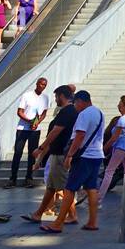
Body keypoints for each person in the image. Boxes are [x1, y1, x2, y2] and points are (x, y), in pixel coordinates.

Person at [42, 90, 105, 232]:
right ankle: (92, 222)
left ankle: (58, 223)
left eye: (75, 104)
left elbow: (80, 135)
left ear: (80, 101)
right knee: (91, 188)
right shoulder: (99, 113)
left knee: (70, 188)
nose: (75, 107)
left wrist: (70, 155)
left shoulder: (84, 114)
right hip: (96, 155)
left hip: (83, 156)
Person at [26, 85, 78, 224]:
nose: (55, 100)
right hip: (59, 153)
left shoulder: (67, 111)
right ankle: (39, 213)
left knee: (62, 187)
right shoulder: (71, 111)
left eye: (56, 97)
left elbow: (55, 132)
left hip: (60, 154)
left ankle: (71, 215)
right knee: (53, 187)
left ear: (62, 96)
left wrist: (41, 148)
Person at [97, 96, 125, 200]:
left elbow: (114, 138)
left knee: (109, 171)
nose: (118, 106)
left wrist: (104, 148)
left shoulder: (123, 119)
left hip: (121, 148)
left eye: (120, 104)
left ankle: (99, 199)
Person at [8, 76, 49, 188]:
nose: (42, 86)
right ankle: (12, 179)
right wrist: (29, 121)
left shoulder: (45, 97)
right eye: (41, 84)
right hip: (23, 128)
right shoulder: (27, 95)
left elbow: (44, 113)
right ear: (37, 84)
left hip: (35, 130)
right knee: (17, 152)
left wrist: (37, 123)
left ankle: (28, 178)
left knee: (32, 154)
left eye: (44, 85)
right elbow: (20, 112)